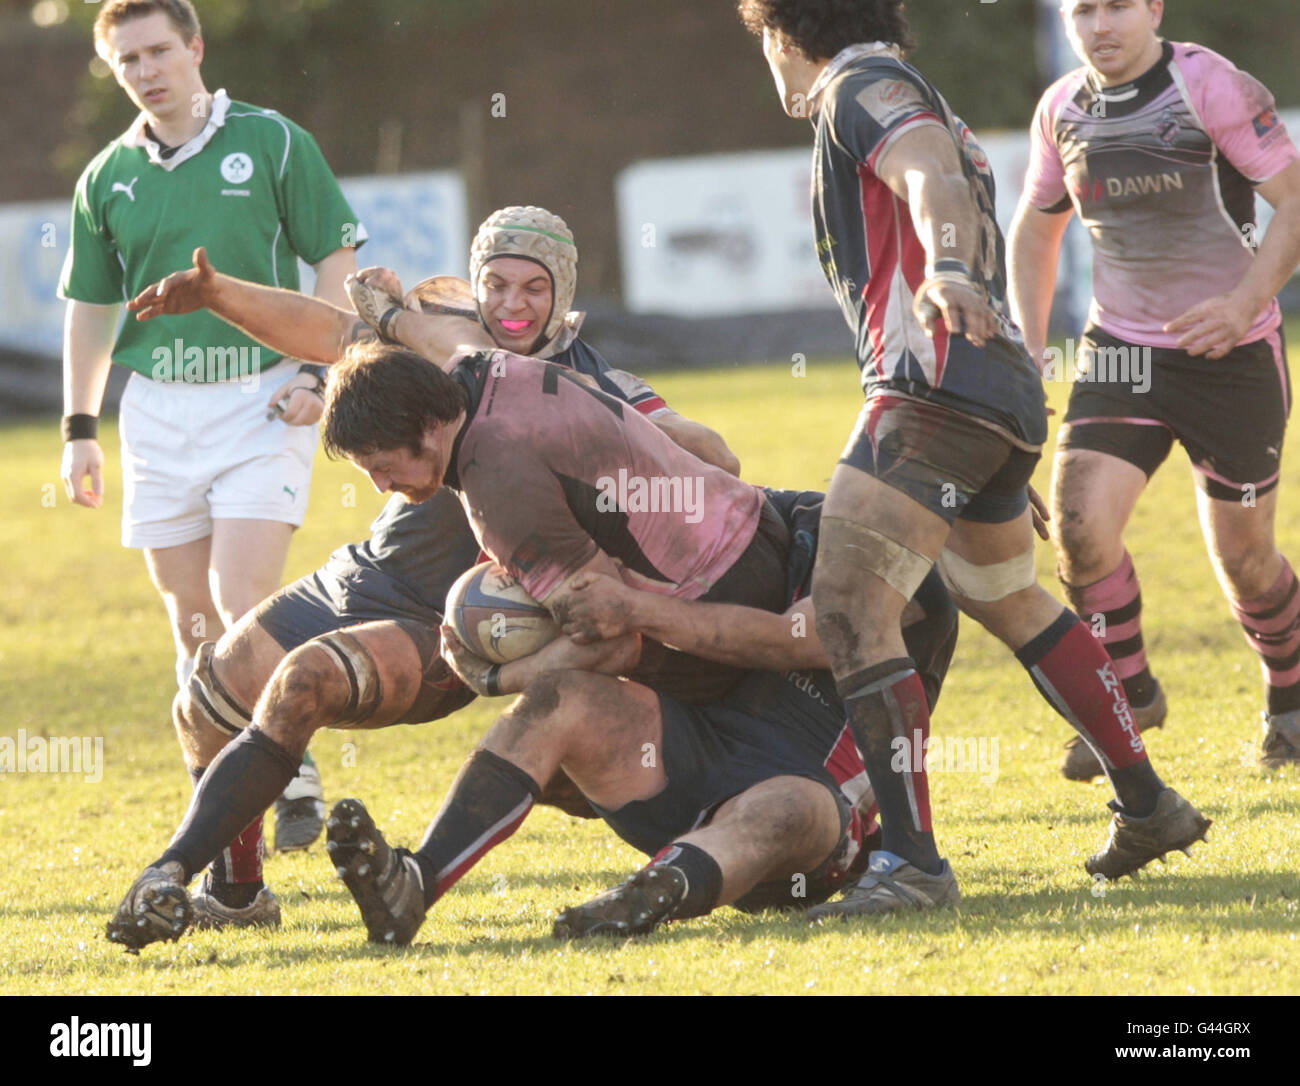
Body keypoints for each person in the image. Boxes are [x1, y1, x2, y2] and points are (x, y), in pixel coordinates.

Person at [104, 208, 742, 949]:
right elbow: (325, 332)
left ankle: (170, 871)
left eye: (535, 288)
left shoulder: (594, 381)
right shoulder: (435, 336)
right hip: (368, 572)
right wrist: (218, 294)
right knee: (204, 705)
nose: (512, 304)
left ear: (562, 295)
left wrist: (592, 413)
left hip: (453, 617)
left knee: (305, 683)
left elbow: (715, 459)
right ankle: (239, 894)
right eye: (496, 284)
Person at [737, 0, 1209, 916]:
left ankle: (912, 865)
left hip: (932, 387)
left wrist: (948, 267)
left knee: (848, 609)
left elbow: (930, 179)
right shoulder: (916, 89)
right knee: (1007, 598)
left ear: (783, 34)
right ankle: (1149, 804)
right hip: (991, 392)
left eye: (764, 43)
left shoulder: (858, 86)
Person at [322, 490, 959, 945]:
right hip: (684, 756)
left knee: (786, 808)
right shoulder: (775, 524)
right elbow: (615, 628)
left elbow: (790, 640)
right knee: (562, 698)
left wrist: (639, 609)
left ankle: (652, 892)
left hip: (809, 813)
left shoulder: (918, 591)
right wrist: (502, 669)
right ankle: (415, 882)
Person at [56, 0, 360, 883]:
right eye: (128, 61)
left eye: (159, 51)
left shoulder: (273, 142)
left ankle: (293, 760)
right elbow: (89, 308)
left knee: (241, 597)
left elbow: (334, 258)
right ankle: (238, 859)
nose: (147, 70)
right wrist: (81, 427)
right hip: (157, 412)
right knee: (191, 633)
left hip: (263, 396)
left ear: (194, 47)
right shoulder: (105, 176)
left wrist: (319, 372)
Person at [1007, 0, 1300, 778]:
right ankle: (1129, 699)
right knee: (1079, 525)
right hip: (1121, 351)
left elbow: (1296, 202)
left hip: (1233, 358)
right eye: (1082, 10)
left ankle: (1292, 702)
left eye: (1117, 7)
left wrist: (1242, 306)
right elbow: (1037, 230)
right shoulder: (1061, 108)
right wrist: (1026, 355)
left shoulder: (1213, 87)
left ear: (1154, 10)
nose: (1100, 25)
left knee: (1245, 559)